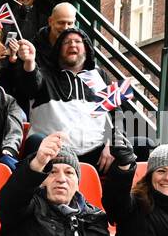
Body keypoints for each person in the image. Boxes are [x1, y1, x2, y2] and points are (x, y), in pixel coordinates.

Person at [14, 29, 132, 171]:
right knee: (35, 141)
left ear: (86, 47)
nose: (72, 45)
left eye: (77, 41)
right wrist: (29, 62)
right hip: (54, 152)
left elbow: (117, 114)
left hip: (95, 151)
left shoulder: (100, 75)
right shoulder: (44, 74)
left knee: (139, 145)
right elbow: (29, 86)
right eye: (66, 42)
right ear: (58, 49)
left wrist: (111, 142)